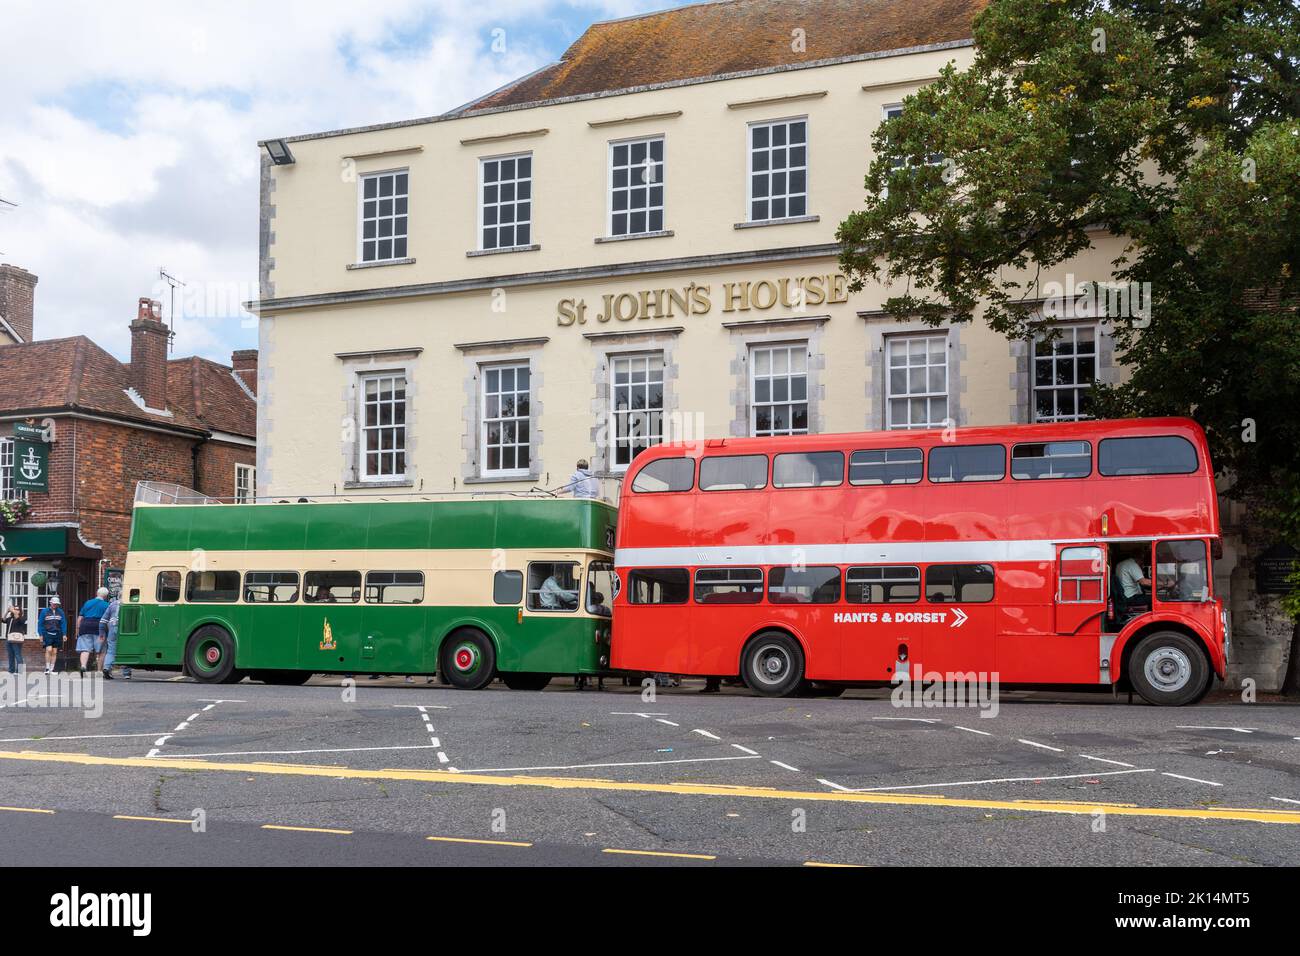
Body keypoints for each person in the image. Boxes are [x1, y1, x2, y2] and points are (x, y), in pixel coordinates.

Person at [76, 587, 110, 675]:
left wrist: (77, 629)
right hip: (99, 627)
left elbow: (80, 617)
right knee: (102, 651)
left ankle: (83, 666)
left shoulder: (87, 603)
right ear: (105, 596)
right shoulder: (106, 605)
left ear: (97, 593)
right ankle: (99, 671)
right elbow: (108, 620)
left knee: (85, 649)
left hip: (85, 626)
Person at [38, 597, 66, 674]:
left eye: (56, 604)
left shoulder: (60, 612)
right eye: (54, 603)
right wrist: (40, 634)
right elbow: (40, 624)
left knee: (54, 652)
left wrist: (64, 634)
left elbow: (63, 623)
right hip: (47, 633)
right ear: (50, 603)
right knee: (49, 650)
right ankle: (47, 668)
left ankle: (52, 669)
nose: (55, 605)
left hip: (57, 634)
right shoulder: (44, 611)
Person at [100, 593, 123, 679]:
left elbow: (103, 620)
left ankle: (106, 668)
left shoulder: (112, 604)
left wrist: (102, 633)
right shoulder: (129, 603)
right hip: (124, 629)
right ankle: (127, 673)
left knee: (110, 651)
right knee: (127, 650)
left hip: (112, 628)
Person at [4, 604, 26, 675]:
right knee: (10, 655)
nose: (16, 610)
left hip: (17, 640)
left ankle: (20, 671)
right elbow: (3, 619)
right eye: (15, 609)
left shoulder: (22, 618)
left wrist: (13, 610)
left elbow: (19, 619)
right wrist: (7, 611)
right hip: (9, 639)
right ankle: (11, 670)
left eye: (17, 609)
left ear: (20, 611)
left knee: (17, 654)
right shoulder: (10, 619)